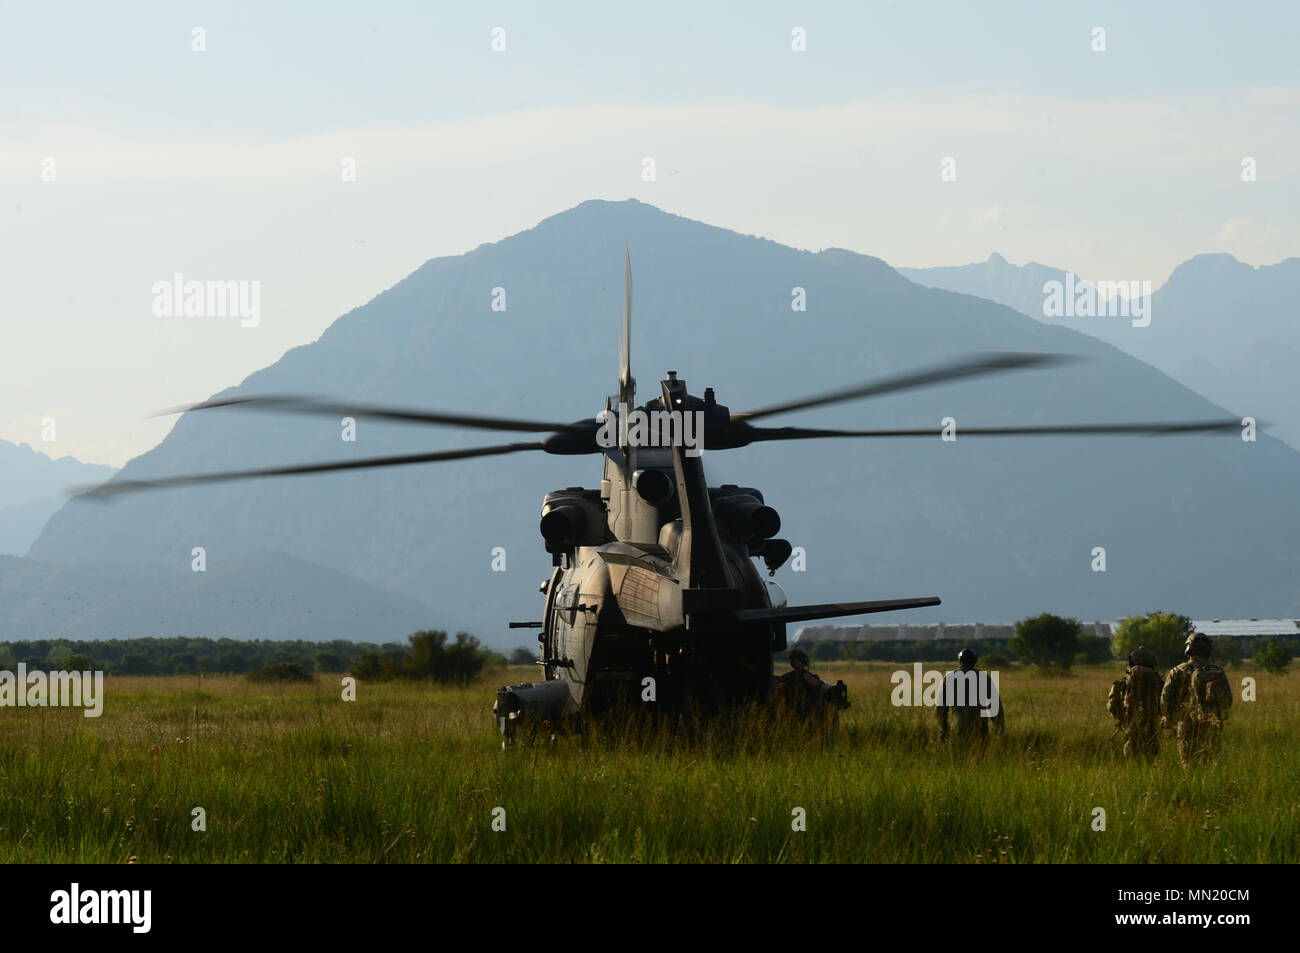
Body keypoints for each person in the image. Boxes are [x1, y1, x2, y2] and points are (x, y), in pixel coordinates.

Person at [1160, 632, 1232, 765]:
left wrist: (1168, 718)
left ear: (1188, 649)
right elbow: (1227, 699)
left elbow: (1166, 698)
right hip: (1212, 725)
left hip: (1186, 726)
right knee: (1211, 767)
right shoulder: (1217, 671)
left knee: (1189, 766)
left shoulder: (1177, 671)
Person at [937, 647, 1004, 744]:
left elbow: (940, 709)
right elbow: (995, 707)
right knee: (980, 757)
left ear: (960, 661)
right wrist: (999, 729)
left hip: (958, 728)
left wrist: (944, 729)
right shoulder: (984, 677)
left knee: (957, 758)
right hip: (981, 729)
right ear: (974, 661)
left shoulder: (949, 678)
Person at [1107, 645, 1162, 757]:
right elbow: (1165, 701)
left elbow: (1112, 704)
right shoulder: (1157, 681)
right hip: (1151, 727)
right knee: (1150, 758)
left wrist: (1121, 718)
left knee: (1131, 759)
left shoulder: (1125, 681)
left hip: (1130, 726)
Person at [778, 648, 824, 719]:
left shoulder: (811, 677)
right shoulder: (787, 677)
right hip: (790, 712)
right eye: (796, 660)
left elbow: (814, 684)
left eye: (800, 661)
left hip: (808, 713)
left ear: (804, 662)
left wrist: (803, 671)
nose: (798, 663)